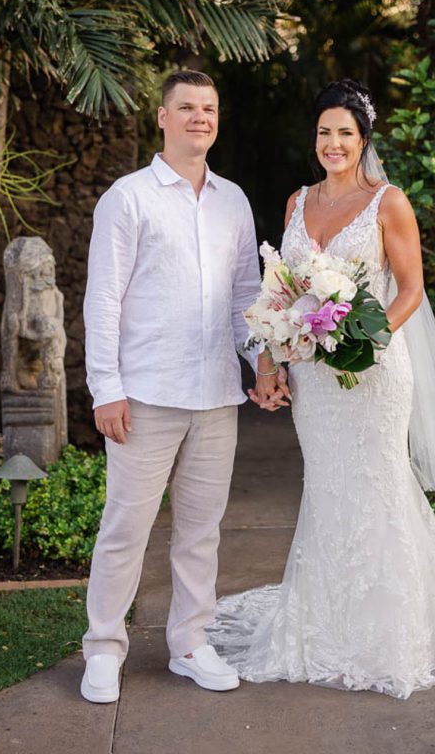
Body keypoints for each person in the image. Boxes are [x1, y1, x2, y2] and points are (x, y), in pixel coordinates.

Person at [208, 78, 435, 699]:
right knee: (327, 486)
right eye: (324, 132)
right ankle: (323, 626)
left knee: (378, 485)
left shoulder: (389, 202)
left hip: (374, 369)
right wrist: (272, 361)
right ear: (314, 138)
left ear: (363, 140)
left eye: (345, 133)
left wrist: (364, 337)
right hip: (314, 378)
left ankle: (396, 634)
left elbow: (410, 289)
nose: (333, 143)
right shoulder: (297, 202)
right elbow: (281, 294)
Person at [80, 70, 287, 703]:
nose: (201, 117)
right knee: (126, 528)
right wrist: (105, 388)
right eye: (188, 107)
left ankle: (191, 643)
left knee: (201, 531)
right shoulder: (128, 198)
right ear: (163, 117)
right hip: (145, 395)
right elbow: (103, 299)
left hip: (217, 396)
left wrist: (262, 365)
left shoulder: (233, 200)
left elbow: (246, 295)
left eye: (210, 109)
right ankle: (103, 648)